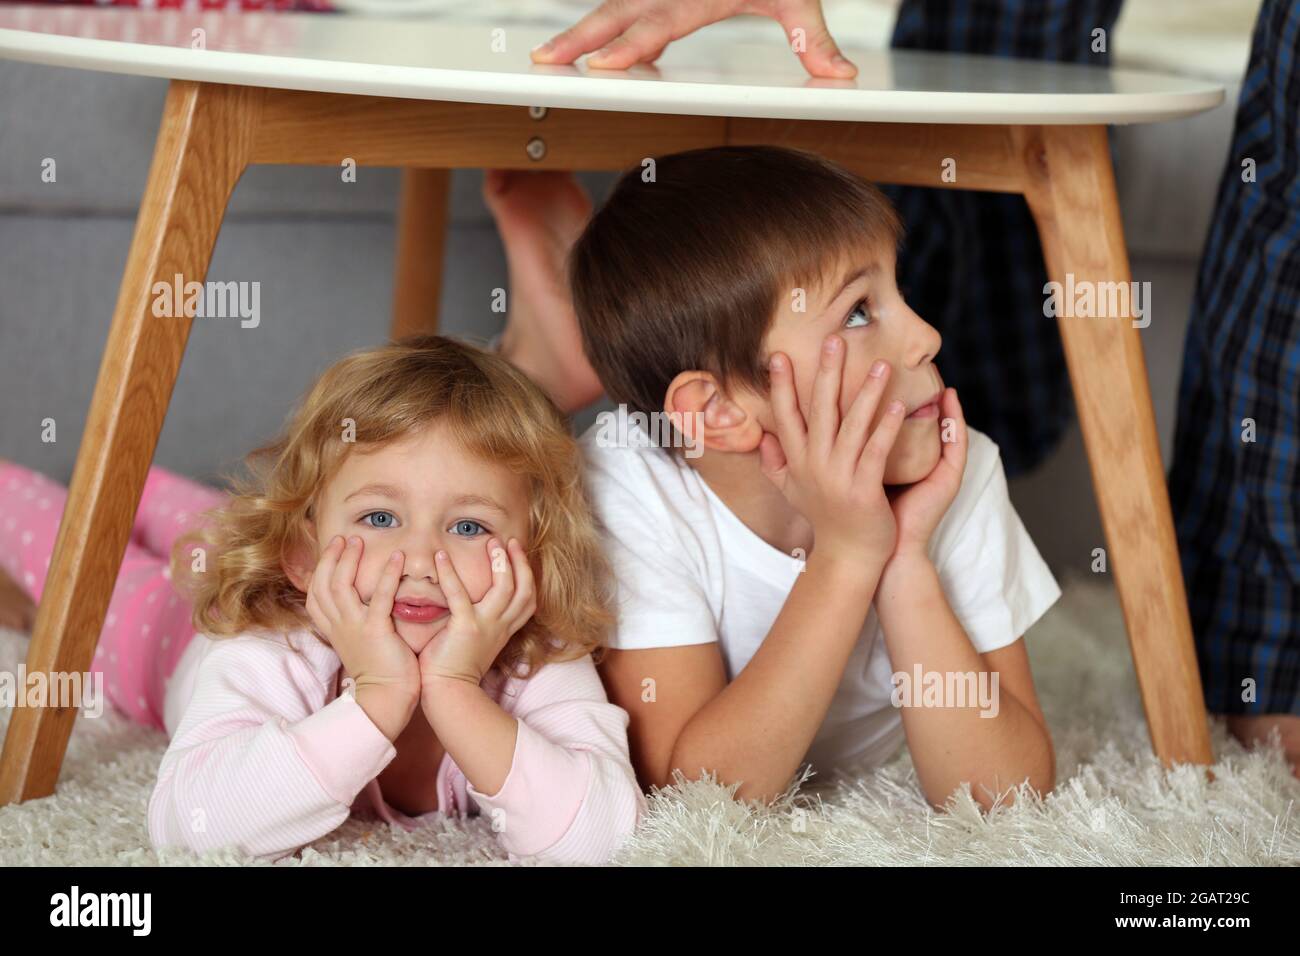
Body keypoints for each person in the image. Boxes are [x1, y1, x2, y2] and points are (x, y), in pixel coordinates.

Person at [0, 336, 645, 862]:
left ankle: (184, 512)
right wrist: (376, 697)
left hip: (275, 550)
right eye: (381, 519)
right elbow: (186, 823)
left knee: (205, 521)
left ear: (528, 555)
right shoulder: (272, 642)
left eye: (469, 526)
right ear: (304, 558)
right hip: (183, 627)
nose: (420, 562)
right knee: (84, 541)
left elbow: (608, 836)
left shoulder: (538, 653)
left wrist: (454, 689)